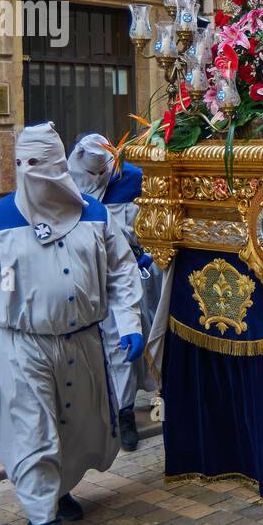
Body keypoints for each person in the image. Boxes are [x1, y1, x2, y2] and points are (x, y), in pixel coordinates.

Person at [0, 123, 144, 525]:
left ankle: (58, 493)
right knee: (33, 435)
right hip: (21, 346)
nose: (37, 176)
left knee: (78, 429)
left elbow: (121, 271)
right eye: (27, 166)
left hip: (82, 343)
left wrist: (130, 321)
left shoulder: (96, 216)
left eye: (45, 166)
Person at [68, 133, 160, 450]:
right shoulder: (63, 180)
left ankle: (124, 413)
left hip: (123, 273)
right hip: (82, 277)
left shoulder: (131, 178)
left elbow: (151, 222)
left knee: (123, 343)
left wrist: (148, 253)